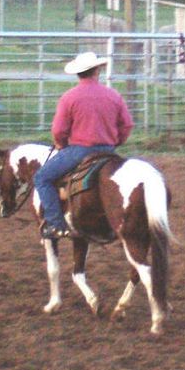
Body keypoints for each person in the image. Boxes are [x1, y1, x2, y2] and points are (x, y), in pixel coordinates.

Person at [35, 51, 134, 239]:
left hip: (79, 151)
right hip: (108, 151)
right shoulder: (113, 95)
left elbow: (58, 130)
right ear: (97, 70)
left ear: (78, 73)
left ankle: (56, 224)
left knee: (42, 178)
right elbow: (127, 124)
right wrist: (116, 142)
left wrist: (61, 144)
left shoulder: (69, 97)